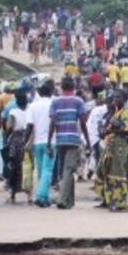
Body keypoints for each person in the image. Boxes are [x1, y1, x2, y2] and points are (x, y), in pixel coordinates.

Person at [49, 76, 90, 209]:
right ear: (74, 87)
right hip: (73, 139)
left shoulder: (55, 101)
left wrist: (49, 142)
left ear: (62, 87)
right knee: (69, 169)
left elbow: (52, 122)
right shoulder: (78, 101)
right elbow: (83, 123)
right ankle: (62, 199)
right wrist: (88, 141)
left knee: (65, 169)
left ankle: (69, 201)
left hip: (60, 139)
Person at [3, 88, 33, 203]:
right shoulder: (30, 110)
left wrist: (7, 138)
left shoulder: (13, 112)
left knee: (14, 167)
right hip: (28, 139)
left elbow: (9, 127)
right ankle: (29, 194)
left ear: (16, 101)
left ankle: (13, 195)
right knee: (28, 167)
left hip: (15, 141)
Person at [29, 80, 55, 207]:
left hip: (37, 142)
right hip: (51, 141)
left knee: (41, 171)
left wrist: (25, 142)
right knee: (47, 170)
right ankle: (40, 196)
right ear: (51, 92)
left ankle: (45, 198)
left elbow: (29, 126)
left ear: (39, 93)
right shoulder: (53, 104)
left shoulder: (33, 106)